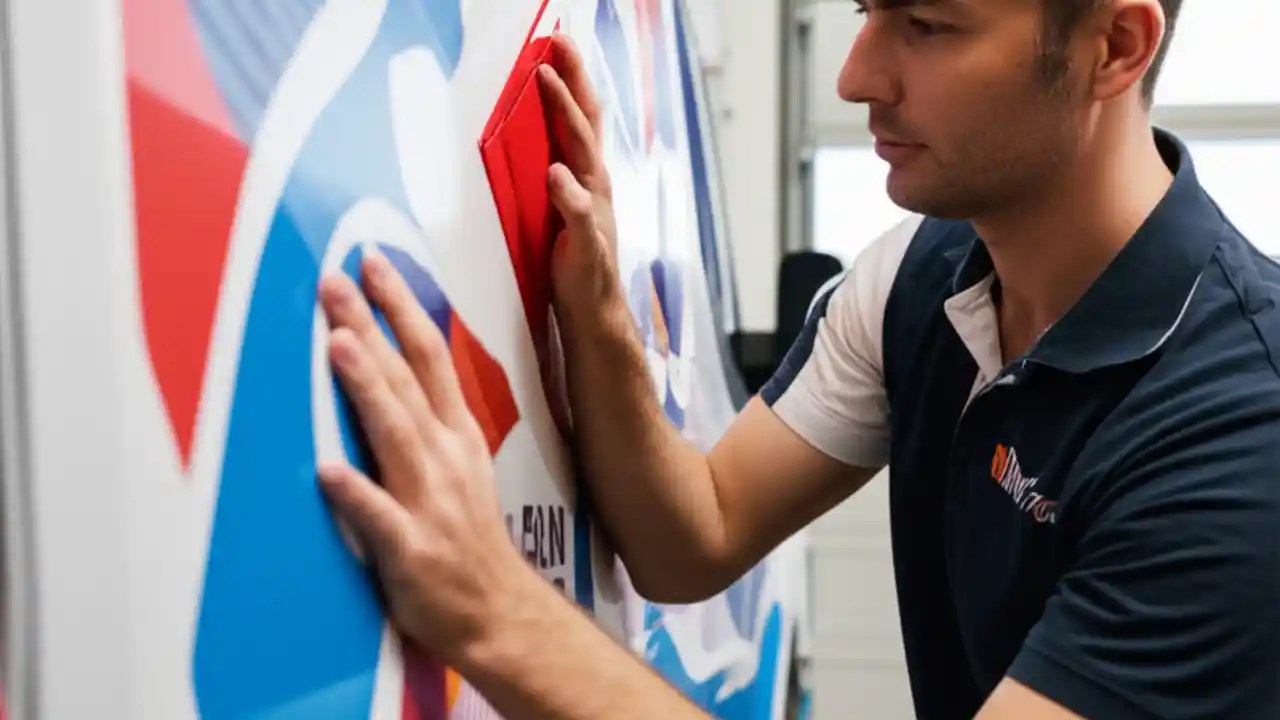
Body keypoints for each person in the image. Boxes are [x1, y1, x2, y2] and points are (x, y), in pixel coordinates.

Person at [315, 0, 1280, 717]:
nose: (856, 77)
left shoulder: (1242, 433)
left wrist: (490, 611)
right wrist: (597, 311)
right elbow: (695, 532)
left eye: (928, 25)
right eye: (866, 12)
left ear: (1115, 47)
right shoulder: (924, 274)